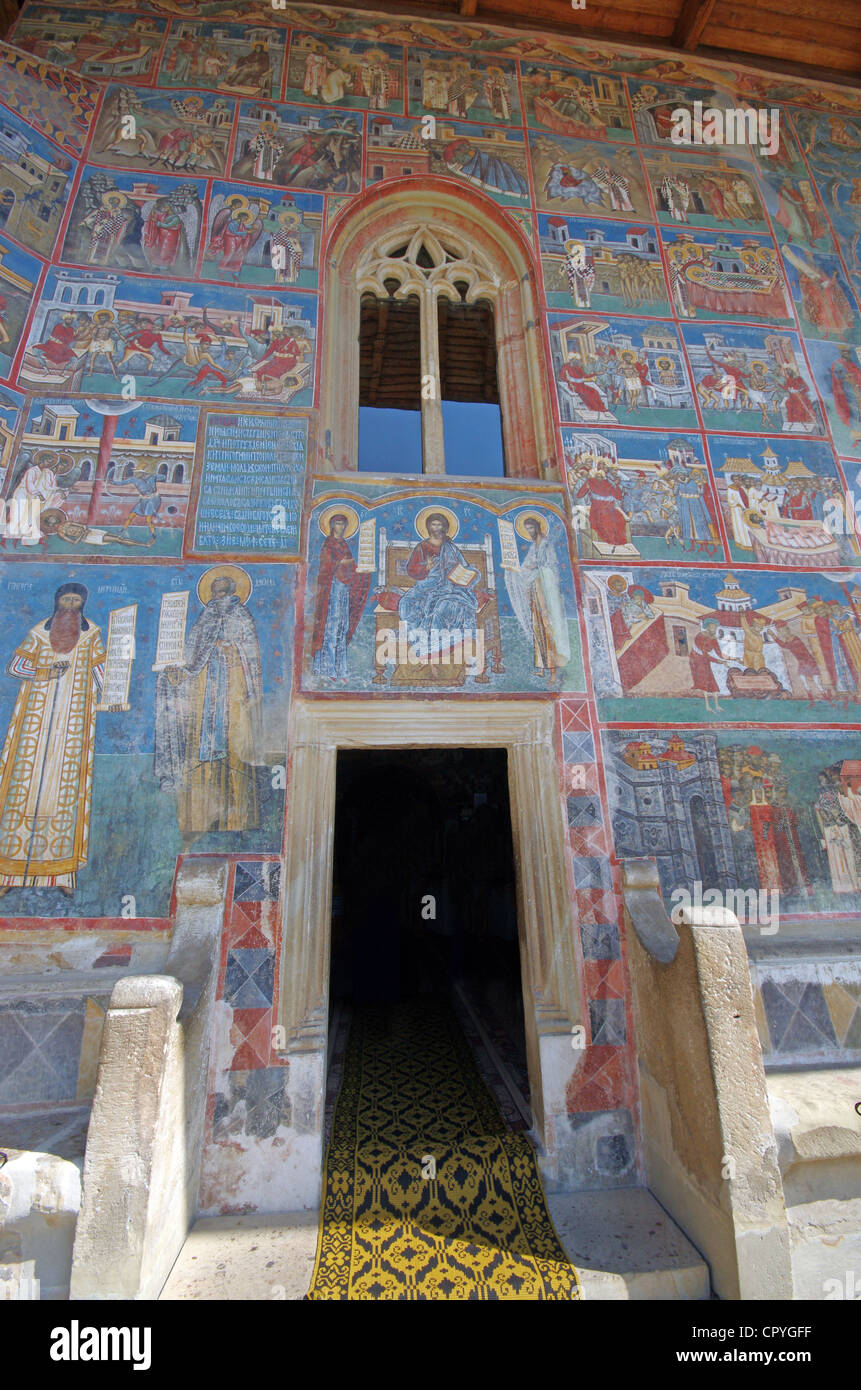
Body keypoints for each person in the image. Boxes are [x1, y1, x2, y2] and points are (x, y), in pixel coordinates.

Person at [0, 584, 116, 896]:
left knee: (68, 792)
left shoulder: (91, 635)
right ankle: (8, 872)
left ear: (83, 605)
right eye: (66, 599)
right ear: (57, 602)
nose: (70, 606)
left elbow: (102, 670)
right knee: (21, 788)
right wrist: (45, 671)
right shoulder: (39, 632)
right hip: (34, 726)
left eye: (76, 601)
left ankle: (61, 874)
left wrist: (114, 694)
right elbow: (15, 666)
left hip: (73, 724)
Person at [154, 569, 262, 839]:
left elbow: (250, 657)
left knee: (235, 749)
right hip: (205, 697)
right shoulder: (205, 618)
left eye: (224, 590)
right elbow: (191, 659)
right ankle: (199, 819)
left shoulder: (242, 616)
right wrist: (177, 673)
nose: (219, 596)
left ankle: (237, 818)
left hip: (234, 693)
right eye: (215, 591)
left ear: (234, 592)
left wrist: (228, 649)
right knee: (199, 751)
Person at [504, 514, 570, 681]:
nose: (530, 531)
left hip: (545, 590)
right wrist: (514, 571)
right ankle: (541, 667)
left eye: (531, 528)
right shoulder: (534, 546)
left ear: (538, 527)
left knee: (548, 628)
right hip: (535, 589)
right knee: (537, 628)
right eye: (527, 529)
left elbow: (551, 565)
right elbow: (527, 566)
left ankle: (554, 671)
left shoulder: (546, 544)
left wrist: (537, 568)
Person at [311, 512, 371, 682]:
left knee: (342, 629)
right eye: (338, 523)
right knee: (331, 628)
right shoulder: (328, 544)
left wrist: (362, 571)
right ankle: (327, 668)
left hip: (343, 589)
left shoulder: (344, 545)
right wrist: (340, 563)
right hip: (332, 591)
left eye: (343, 524)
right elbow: (327, 565)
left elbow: (351, 567)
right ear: (331, 525)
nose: (341, 527)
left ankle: (341, 670)